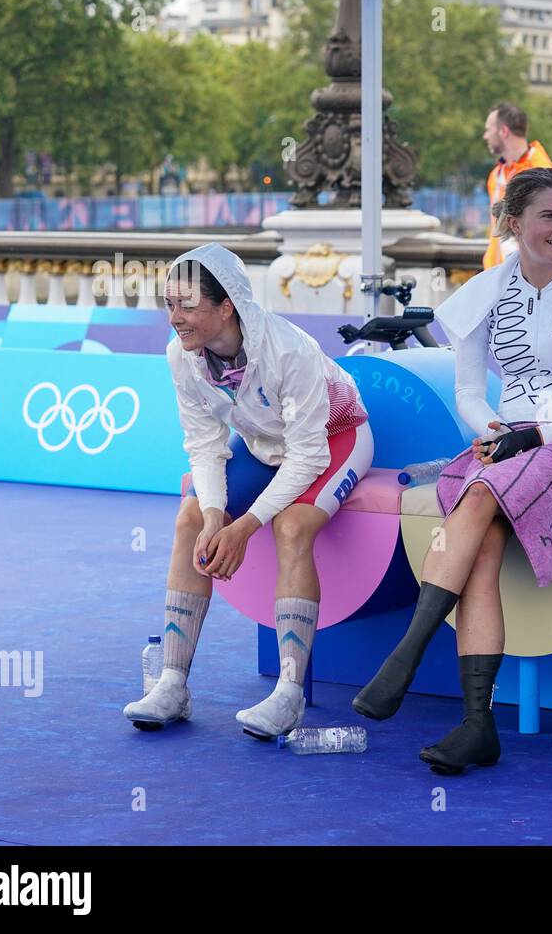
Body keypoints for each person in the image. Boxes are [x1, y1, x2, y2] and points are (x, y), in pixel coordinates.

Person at [353, 167, 552, 774]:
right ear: (513, 222)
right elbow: (468, 392)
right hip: (506, 445)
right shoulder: (485, 293)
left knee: (480, 493)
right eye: (549, 216)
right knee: (481, 539)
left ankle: (405, 654)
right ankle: (477, 726)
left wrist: (535, 434)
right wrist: (492, 430)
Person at [122, 243, 372, 739]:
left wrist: (245, 527)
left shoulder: (289, 349)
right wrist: (216, 517)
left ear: (226, 307)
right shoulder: (182, 354)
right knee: (191, 516)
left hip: (335, 438)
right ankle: (172, 684)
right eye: (169, 303)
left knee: (293, 525)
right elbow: (204, 444)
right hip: (264, 444)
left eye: (187, 306)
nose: (175, 318)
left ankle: (289, 694)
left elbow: (307, 456)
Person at [482, 102, 552, 269]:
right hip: (499, 276)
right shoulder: (496, 175)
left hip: (528, 279)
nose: (485, 136)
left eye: (488, 130)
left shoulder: (543, 173)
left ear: (504, 131)